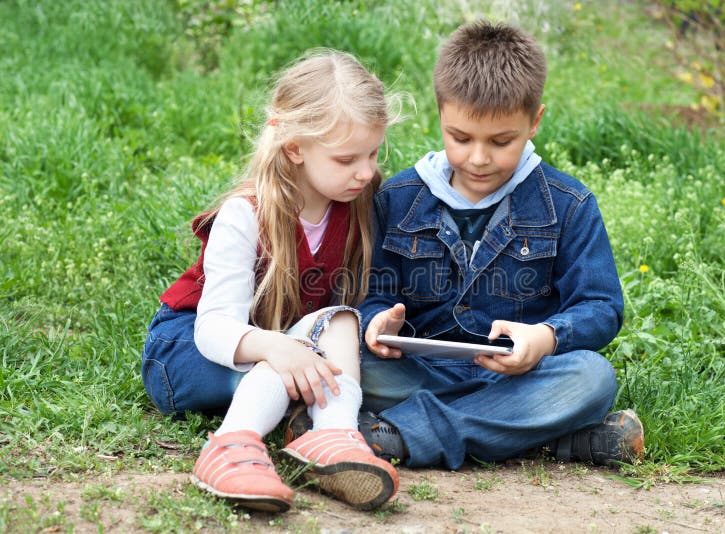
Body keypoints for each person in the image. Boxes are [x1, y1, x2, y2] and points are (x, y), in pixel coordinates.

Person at [356, 21, 645, 471]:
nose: (478, 158)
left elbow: (601, 306)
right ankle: (549, 438)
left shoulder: (568, 205)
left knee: (591, 377)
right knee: (346, 362)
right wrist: (376, 320)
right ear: (441, 117)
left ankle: (399, 434)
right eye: (461, 137)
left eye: (501, 141)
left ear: (535, 122)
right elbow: (369, 292)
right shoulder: (396, 198)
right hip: (421, 373)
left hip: (523, 377)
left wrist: (546, 337)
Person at [140, 50, 401, 512]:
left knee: (342, 321)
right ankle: (229, 446)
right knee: (282, 367)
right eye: (347, 159)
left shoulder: (356, 201)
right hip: (191, 350)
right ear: (295, 147)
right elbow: (214, 327)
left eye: (373, 153)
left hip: (284, 344)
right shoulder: (247, 214)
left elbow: (332, 318)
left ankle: (334, 438)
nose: (366, 171)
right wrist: (276, 348)